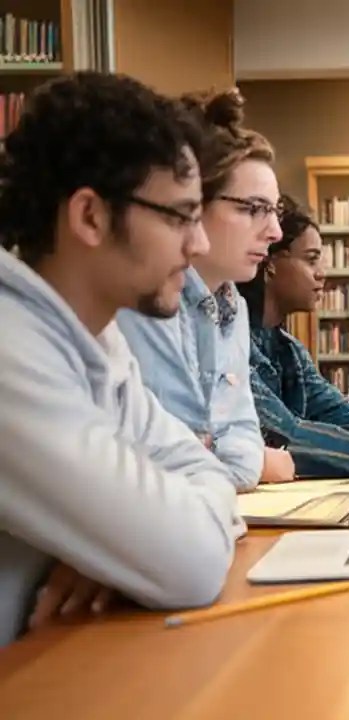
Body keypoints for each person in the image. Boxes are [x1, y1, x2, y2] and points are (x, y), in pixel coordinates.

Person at [0, 72, 242, 646]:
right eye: (179, 216)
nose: (199, 244)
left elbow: (209, 476)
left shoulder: (94, 335)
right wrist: (137, 544)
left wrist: (116, 550)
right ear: (90, 216)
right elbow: (193, 561)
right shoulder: (10, 348)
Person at [116, 88, 295, 490]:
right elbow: (175, 465)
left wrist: (234, 457)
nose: (275, 231)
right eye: (253, 209)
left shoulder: (231, 304)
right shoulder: (145, 301)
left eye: (275, 210)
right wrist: (238, 459)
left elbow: (238, 443)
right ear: (194, 205)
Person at [237, 195, 349, 478]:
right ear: (270, 261)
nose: (322, 274)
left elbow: (343, 414)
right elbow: (283, 434)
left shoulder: (290, 351)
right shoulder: (233, 344)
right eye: (311, 259)